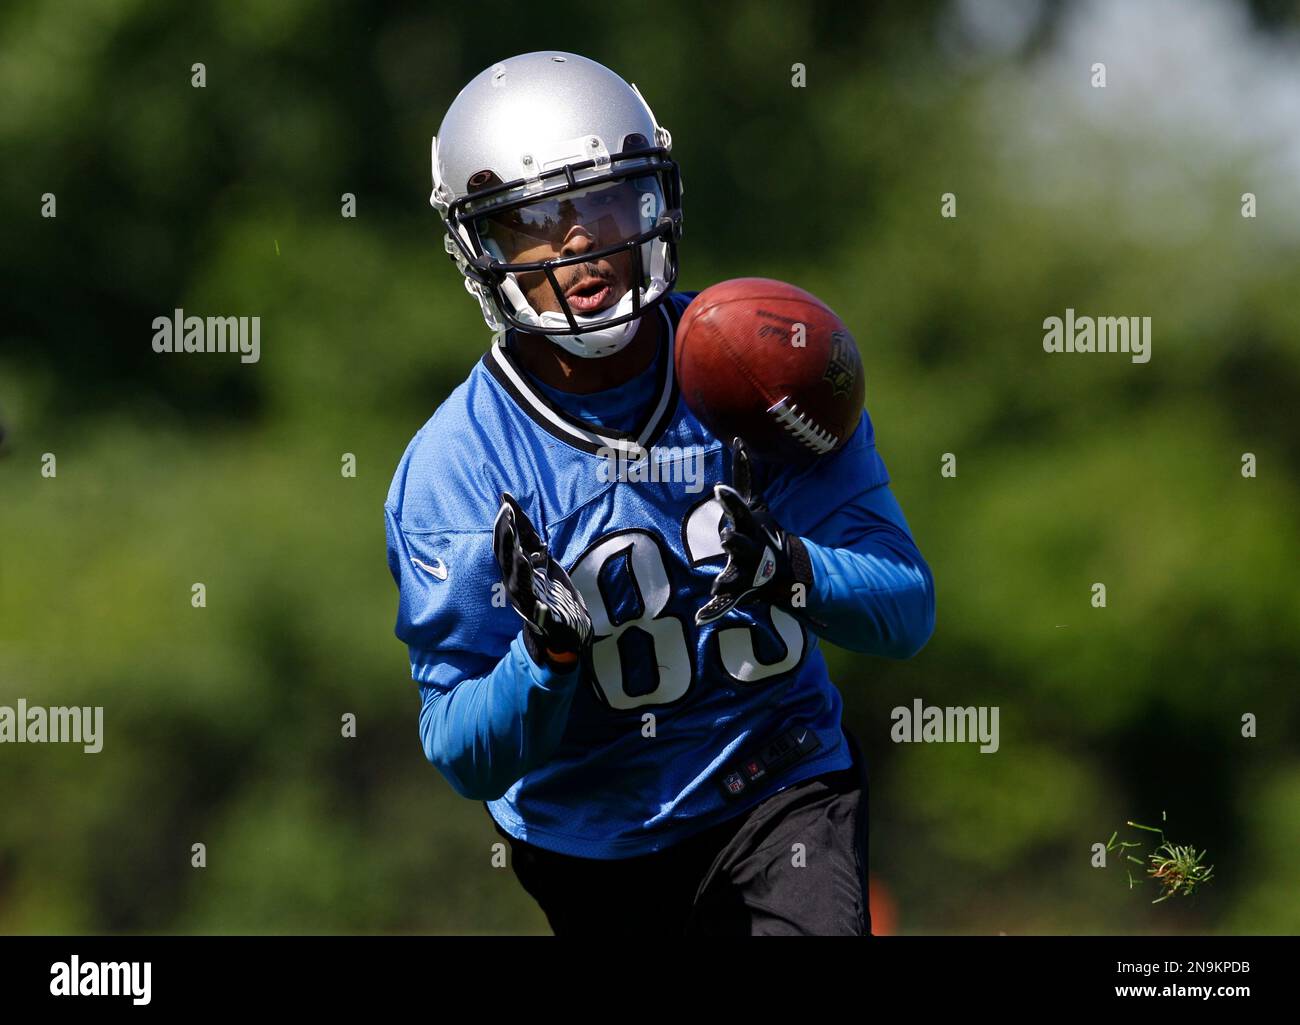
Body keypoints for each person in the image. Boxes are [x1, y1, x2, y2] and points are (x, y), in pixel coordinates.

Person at [384, 51, 935, 935]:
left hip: (779, 782)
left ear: (652, 199)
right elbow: (461, 750)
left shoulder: (761, 368)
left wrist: (796, 569)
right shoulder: (460, 464)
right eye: (534, 220)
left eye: (597, 200)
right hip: (593, 837)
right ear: (480, 250)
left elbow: (906, 611)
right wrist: (547, 659)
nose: (574, 241)